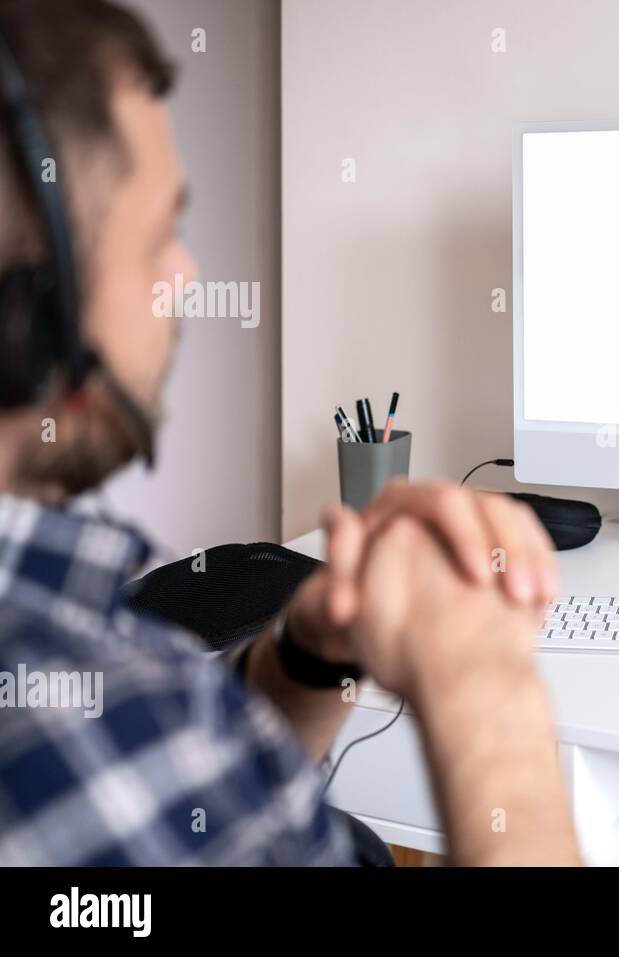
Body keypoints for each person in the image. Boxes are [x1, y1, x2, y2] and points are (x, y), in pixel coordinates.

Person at [0, 0, 580, 866]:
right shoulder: (68, 728)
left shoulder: (98, 688)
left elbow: (177, 778)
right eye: (161, 235)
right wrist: (488, 694)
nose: (188, 273)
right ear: (32, 313)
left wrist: (309, 658)